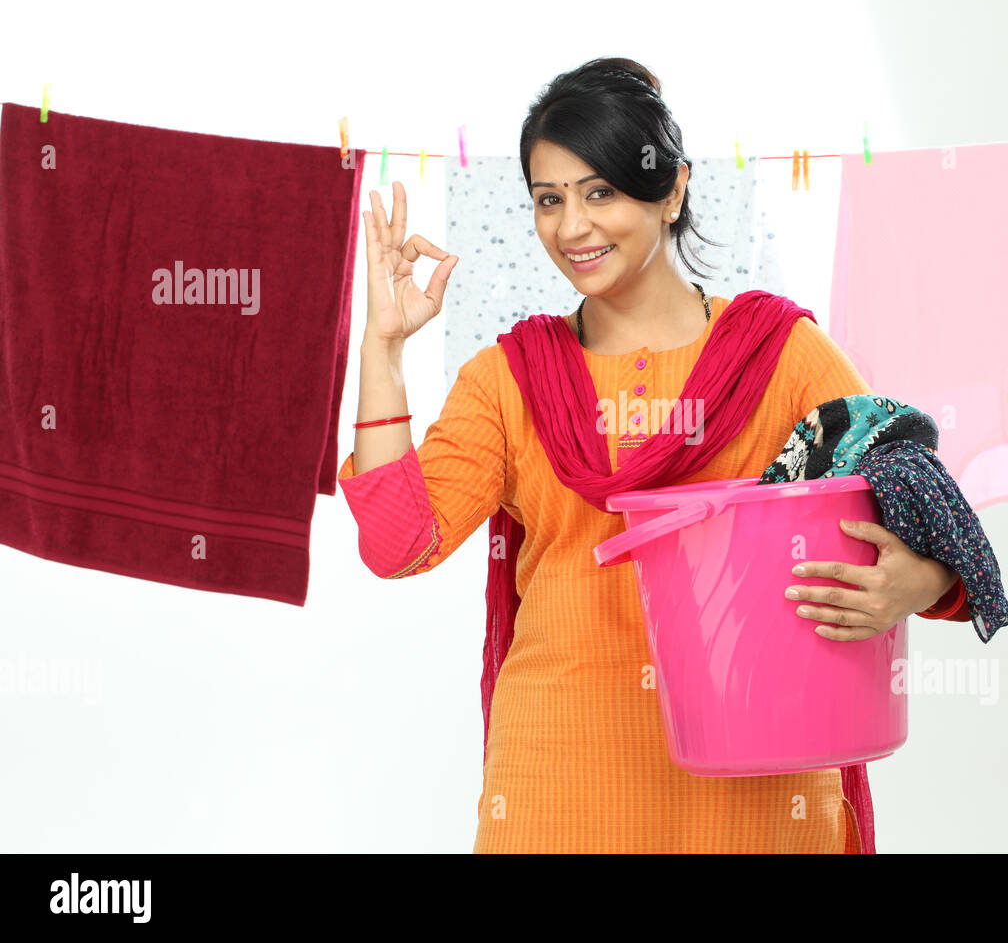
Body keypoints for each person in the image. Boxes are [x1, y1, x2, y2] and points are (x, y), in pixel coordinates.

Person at [338, 56, 967, 853]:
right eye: (549, 200)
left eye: (601, 191)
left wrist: (917, 581)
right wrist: (383, 349)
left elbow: (924, 505)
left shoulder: (777, 355)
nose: (572, 227)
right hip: (559, 787)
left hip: (758, 788)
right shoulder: (511, 378)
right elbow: (399, 544)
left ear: (671, 189)